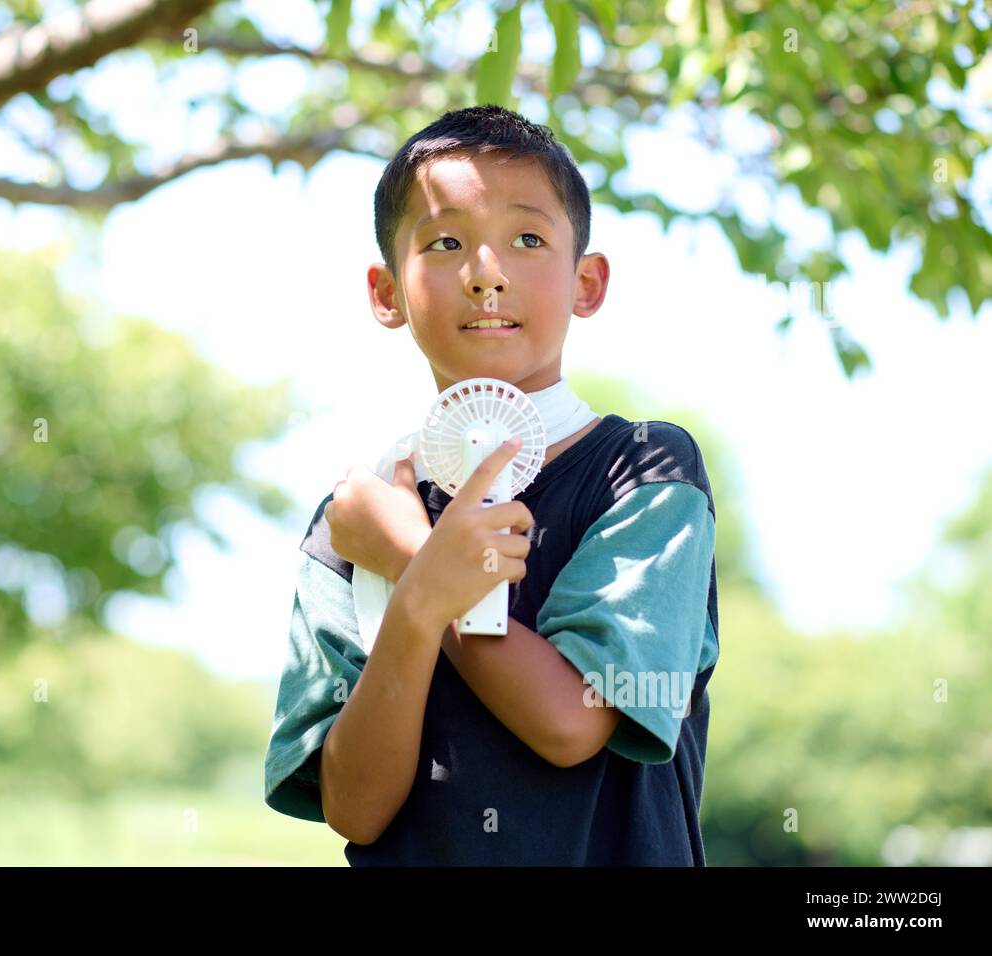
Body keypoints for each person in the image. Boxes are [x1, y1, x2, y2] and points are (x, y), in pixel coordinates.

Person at [263, 105, 720, 865]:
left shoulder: (643, 473)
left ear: (588, 282)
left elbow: (571, 725)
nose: (486, 273)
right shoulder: (351, 518)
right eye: (444, 243)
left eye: (528, 239)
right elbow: (356, 808)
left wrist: (415, 562)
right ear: (386, 292)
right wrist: (413, 597)